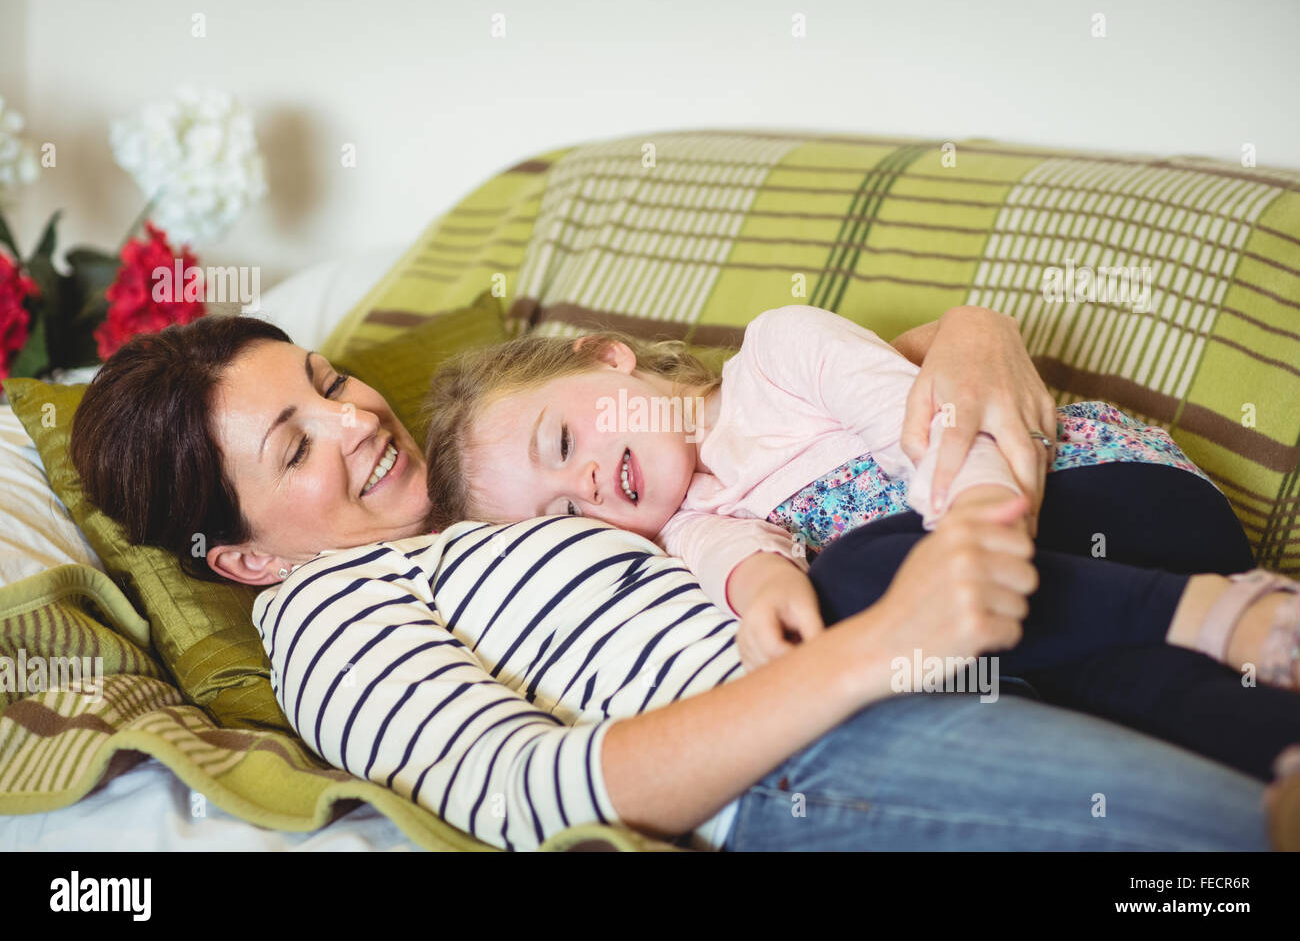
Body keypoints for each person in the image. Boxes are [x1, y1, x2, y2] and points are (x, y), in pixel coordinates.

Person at [69, 310, 1280, 851]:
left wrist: (971, 330)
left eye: (329, 385)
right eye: (294, 448)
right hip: (813, 763)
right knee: (1240, 835)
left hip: (939, 654)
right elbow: (517, 795)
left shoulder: (506, 491)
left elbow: (801, 415)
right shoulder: (331, 613)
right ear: (245, 559)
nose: (353, 425)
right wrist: (871, 647)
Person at [419, 303, 1300, 786]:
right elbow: (745, 568)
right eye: (564, 519)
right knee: (1116, 689)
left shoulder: (774, 353)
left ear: (608, 359)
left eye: (563, 443)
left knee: (858, 573)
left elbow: (918, 420)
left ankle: (1218, 609)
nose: (589, 489)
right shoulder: (686, 523)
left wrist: (975, 520)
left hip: (1101, 495)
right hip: (1055, 606)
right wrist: (766, 608)